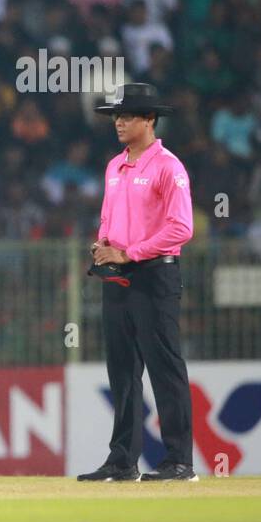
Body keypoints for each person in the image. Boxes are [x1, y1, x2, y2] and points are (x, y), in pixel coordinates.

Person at [80, 83, 197, 482]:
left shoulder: (168, 167)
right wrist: (104, 244)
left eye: (127, 115)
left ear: (149, 120)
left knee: (165, 368)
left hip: (155, 275)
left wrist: (130, 253)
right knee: (123, 372)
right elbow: (109, 217)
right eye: (116, 115)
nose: (118, 122)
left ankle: (179, 461)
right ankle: (122, 461)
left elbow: (182, 228)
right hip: (119, 277)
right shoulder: (115, 166)